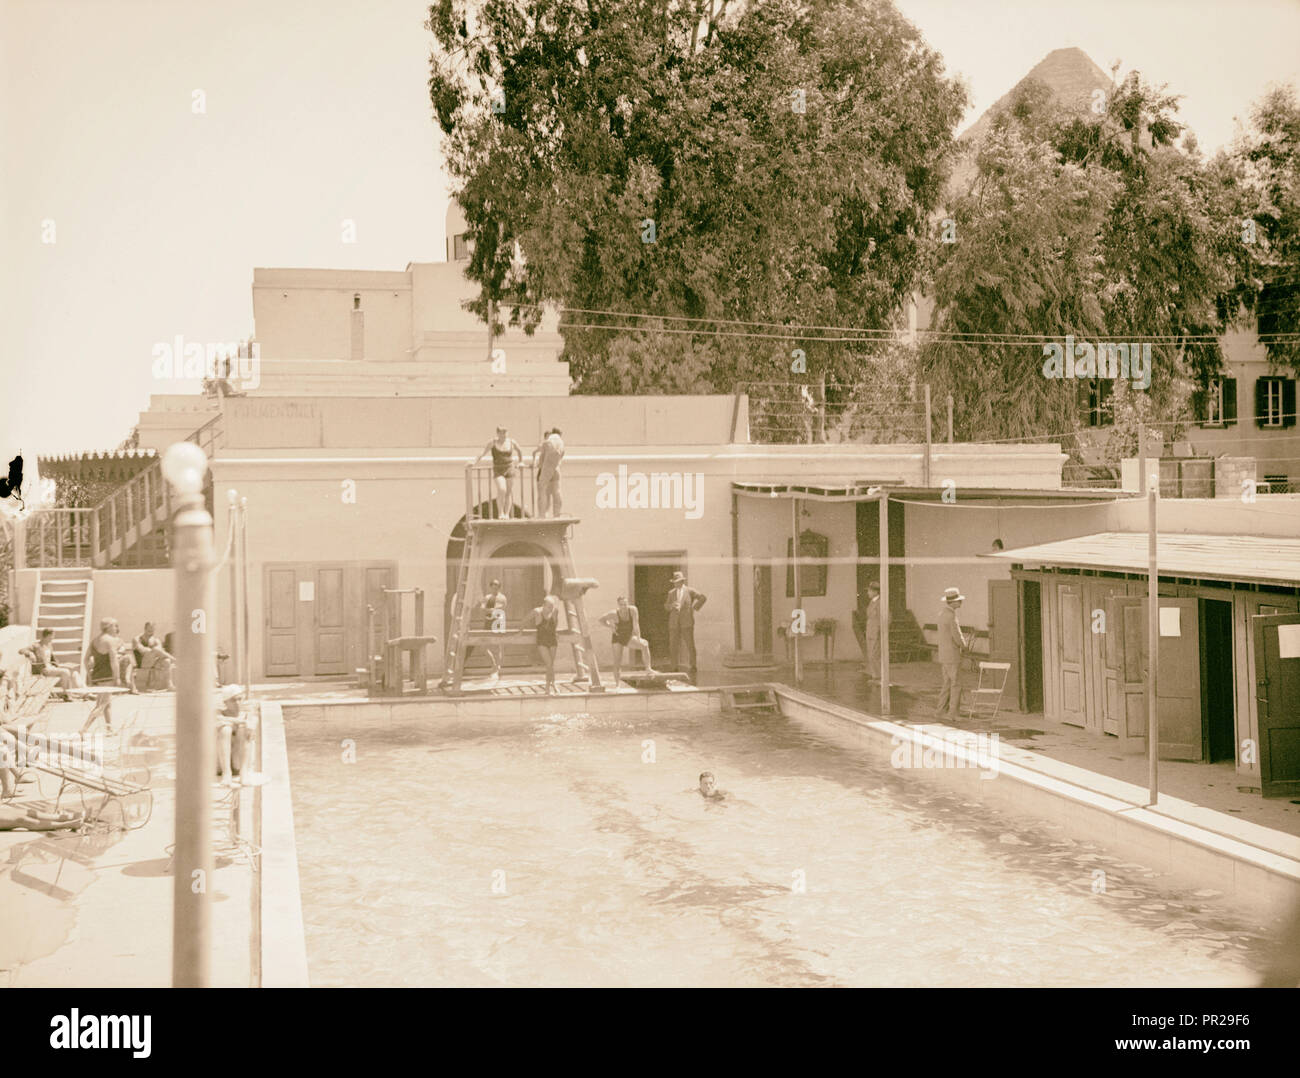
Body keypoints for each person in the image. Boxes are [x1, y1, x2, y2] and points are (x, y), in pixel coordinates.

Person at [665, 571, 707, 679]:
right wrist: (671, 606)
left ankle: (693, 666)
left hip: (687, 623)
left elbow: (703, 597)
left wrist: (694, 608)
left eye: (677, 582)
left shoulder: (690, 591)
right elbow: (666, 606)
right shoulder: (671, 593)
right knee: (673, 645)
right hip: (674, 623)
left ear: (682, 581)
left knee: (690, 645)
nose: (675, 584)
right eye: (674, 582)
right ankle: (674, 667)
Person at [475, 426, 522, 519]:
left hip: (509, 468)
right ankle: (501, 512)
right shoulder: (493, 442)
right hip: (498, 469)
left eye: (505, 433)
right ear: (498, 433)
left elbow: (519, 451)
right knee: (502, 489)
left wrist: (521, 462)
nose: (504, 435)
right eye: (501, 433)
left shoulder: (512, 442)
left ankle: (506, 513)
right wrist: (474, 461)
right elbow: (483, 453)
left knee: (508, 492)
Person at [936, 586, 969, 720]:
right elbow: (957, 636)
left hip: (944, 655)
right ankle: (952, 714)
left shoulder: (942, 614)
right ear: (953, 602)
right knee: (956, 684)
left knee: (947, 684)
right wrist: (964, 646)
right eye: (959, 601)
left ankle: (940, 711)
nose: (960, 603)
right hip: (953, 655)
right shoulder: (951, 616)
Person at [20, 628, 78, 696]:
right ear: (47, 636)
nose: (53, 638)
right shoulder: (36, 645)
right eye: (52, 636)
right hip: (43, 669)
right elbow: (22, 650)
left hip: (51, 667)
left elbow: (52, 659)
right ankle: (67, 694)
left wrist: (58, 665)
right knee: (65, 672)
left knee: (70, 671)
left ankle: (69, 693)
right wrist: (30, 654)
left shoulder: (49, 646)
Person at [599, 596, 642, 687]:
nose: (624, 606)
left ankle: (648, 668)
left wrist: (638, 637)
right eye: (621, 605)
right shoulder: (614, 613)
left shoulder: (633, 610)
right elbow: (601, 620)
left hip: (628, 636)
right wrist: (610, 626)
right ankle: (617, 683)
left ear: (628, 604)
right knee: (617, 661)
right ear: (618, 605)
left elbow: (636, 624)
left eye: (625, 604)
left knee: (644, 645)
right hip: (617, 637)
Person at [85, 618, 136, 692]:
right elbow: (114, 661)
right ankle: (128, 680)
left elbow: (86, 659)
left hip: (96, 676)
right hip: (108, 676)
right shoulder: (110, 640)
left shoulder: (94, 641)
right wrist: (117, 678)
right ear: (109, 627)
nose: (116, 629)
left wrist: (89, 676)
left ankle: (128, 679)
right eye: (115, 626)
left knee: (103, 702)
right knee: (104, 702)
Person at [215, 684, 251, 786]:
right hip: (218, 766)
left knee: (243, 729)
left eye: (240, 699)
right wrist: (238, 721)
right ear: (225, 702)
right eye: (233, 700)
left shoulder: (247, 714)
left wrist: (242, 724)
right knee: (225, 729)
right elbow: (218, 720)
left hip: (238, 763)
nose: (237, 703)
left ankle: (244, 773)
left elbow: (251, 725)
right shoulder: (218, 713)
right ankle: (226, 773)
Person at [530, 594, 561, 694]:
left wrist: (556, 632)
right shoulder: (537, 612)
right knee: (549, 664)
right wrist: (520, 631)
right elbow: (525, 619)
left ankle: (553, 683)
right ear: (543, 605)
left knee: (551, 664)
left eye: (552, 606)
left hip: (552, 640)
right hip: (542, 641)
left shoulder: (555, 612)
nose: (551, 608)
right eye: (549, 606)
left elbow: (555, 625)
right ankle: (548, 687)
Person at [132, 622, 174, 692]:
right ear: (145, 628)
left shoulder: (156, 640)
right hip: (142, 663)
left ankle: (169, 685)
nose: (151, 631)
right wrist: (153, 651)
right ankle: (175, 660)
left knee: (167, 661)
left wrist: (154, 651)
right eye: (149, 629)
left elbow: (160, 652)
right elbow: (142, 651)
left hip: (153, 662)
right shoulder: (137, 639)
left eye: (153, 630)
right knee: (156, 649)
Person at [533, 427, 565, 517]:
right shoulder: (561, 442)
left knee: (541, 490)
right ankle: (557, 513)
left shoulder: (547, 442)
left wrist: (540, 465)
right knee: (557, 491)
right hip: (556, 468)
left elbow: (542, 458)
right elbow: (562, 455)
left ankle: (542, 515)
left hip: (546, 468)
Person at [480, 579, 508, 677]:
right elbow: (482, 609)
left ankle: (498, 669)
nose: (495, 588)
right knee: (483, 646)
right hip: (488, 623)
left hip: (498, 623)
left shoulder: (502, 598)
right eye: (493, 586)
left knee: (497, 646)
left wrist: (492, 610)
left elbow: (502, 609)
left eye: (497, 586)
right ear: (490, 587)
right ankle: (493, 665)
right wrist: (492, 610)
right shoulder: (487, 597)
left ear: (499, 587)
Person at [862, 582, 881, 683]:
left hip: (876, 632)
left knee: (874, 655)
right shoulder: (872, 602)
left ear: (875, 591)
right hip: (870, 631)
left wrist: (880, 630)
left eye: (869, 591)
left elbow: (887, 617)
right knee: (870, 654)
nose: (868, 593)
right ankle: (875, 675)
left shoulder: (881, 603)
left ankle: (878, 676)